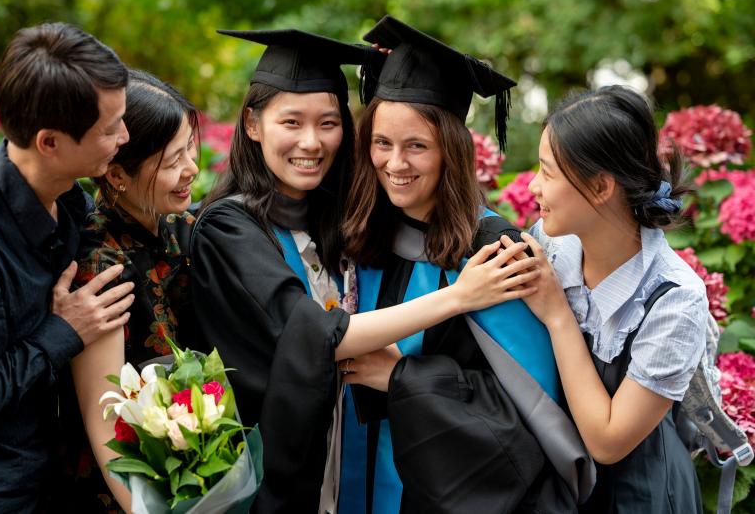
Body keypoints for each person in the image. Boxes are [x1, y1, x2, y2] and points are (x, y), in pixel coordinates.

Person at [190, 28, 536, 513]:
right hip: (280, 483)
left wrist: (404, 378)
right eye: (291, 121)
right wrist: (459, 295)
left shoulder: (353, 227)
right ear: (252, 123)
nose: (311, 142)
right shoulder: (231, 228)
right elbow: (309, 332)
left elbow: (531, 408)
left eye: (329, 122)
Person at [339, 15, 591, 513]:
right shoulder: (366, 235)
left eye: (417, 146)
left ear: (450, 152)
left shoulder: (497, 252)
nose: (395, 163)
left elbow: (533, 414)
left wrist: (403, 379)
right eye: (382, 144)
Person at [0, 23, 134, 512]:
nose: (125, 135)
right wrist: (60, 331)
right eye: (109, 128)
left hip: (58, 477)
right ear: (49, 142)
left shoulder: (70, 202)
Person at [513, 85, 705, 513]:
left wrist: (558, 315)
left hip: (641, 496)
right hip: (562, 483)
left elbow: (608, 440)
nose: (532, 185)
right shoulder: (553, 243)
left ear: (600, 186)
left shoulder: (674, 299)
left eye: (547, 172)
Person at [57, 69, 200, 512]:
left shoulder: (180, 225)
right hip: (125, 486)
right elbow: (105, 423)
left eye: (189, 151)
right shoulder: (100, 265)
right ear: (117, 174)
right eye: (172, 161)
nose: (191, 170)